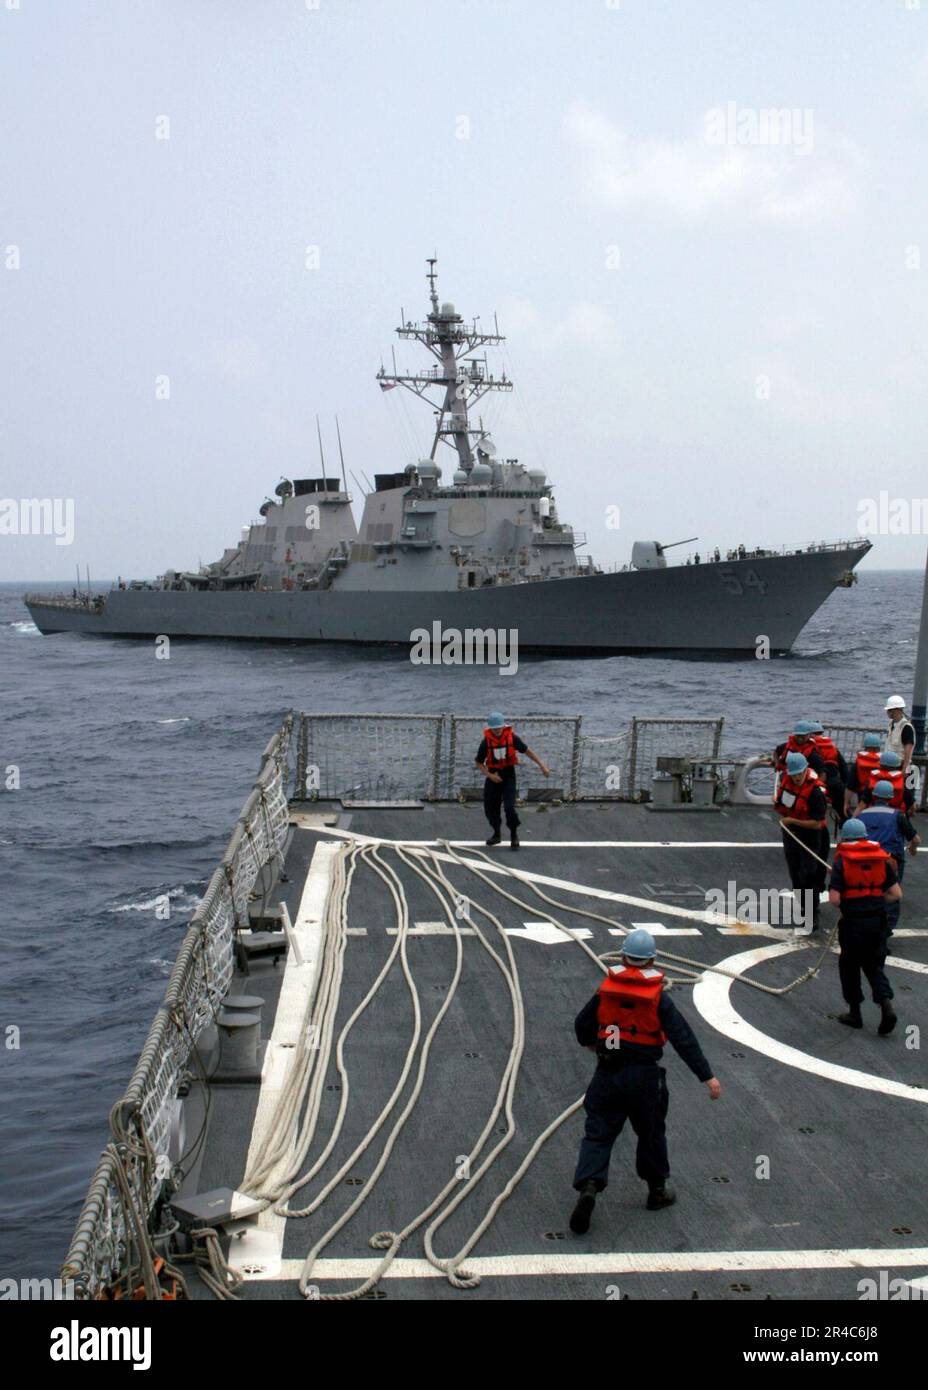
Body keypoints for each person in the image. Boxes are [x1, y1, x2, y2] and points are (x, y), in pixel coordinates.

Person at [569, 928, 720, 1233]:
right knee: (650, 1133)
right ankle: (657, 1191)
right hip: (643, 1076)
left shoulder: (607, 990)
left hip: (608, 1071)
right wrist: (708, 1077)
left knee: (598, 1133)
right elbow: (683, 1038)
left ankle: (590, 1186)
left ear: (623, 957)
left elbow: (582, 1024)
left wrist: (590, 1044)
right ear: (652, 961)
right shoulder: (657, 998)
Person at [828, 819, 900, 1034]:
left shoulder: (842, 863)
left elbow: (834, 899)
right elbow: (896, 894)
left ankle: (855, 1013)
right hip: (877, 923)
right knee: (874, 966)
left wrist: (852, 904)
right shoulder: (883, 861)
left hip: (853, 924)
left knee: (849, 967)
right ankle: (886, 1005)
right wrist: (876, 901)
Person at [474, 712, 549, 850]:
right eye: (494, 728)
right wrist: (490, 776)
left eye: (499, 727)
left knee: (509, 807)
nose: (497, 731)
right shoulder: (486, 742)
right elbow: (479, 762)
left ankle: (514, 834)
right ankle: (497, 834)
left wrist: (542, 765)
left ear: (503, 726)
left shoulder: (512, 738)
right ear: (490, 728)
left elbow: (527, 751)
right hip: (493, 776)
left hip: (508, 776)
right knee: (491, 808)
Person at [773, 751, 829, 933]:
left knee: (809, 875)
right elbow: (781, 806)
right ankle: (803, 907)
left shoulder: (815, 792)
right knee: (796, 875)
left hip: (811, 837)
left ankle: (812, 914)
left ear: (806, 770)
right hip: (791, 835)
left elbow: (817, 822)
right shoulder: (787, 784)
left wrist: (791, 821)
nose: (796, 778)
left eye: (799, 773)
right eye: (793, 774)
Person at [859, 780, 920, 934]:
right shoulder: (897, 815)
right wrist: (912, 849)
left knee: (866, 892)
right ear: (891, 797)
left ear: (874, 796)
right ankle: (886, 927)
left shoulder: (862, 815)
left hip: (866, 860)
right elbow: (915, 839)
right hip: (890, 861)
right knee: (891, 893)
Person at [807, 721, 848, 820]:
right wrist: (844, 786)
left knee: (816, 815)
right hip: (836, 784)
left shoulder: (809, 749)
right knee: (844, 814)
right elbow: (844, 768)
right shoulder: (832, 747)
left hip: (819, 785)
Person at [844, 733, 883, 817]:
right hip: (882, 799)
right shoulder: (885, 763)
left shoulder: (858, 764)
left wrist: (846, 803)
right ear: (879, 748)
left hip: (863, 798)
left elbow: (850, 786)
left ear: (865, 748)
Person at [884, 695, 915, 776]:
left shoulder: (906, 727)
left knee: (904, 788)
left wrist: (905, 769)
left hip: (901, 767)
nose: (888, 712)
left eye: (890, 710)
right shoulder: (891, 724)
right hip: (891, 766)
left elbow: (908, 750)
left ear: (898, 710)